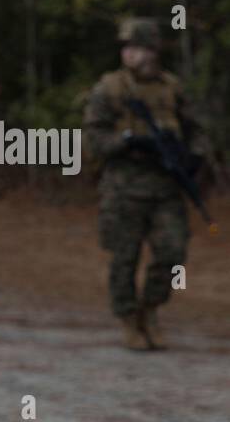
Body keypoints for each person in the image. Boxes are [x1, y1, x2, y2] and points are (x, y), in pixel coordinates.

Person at [84, 17, 214, 351]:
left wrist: (194, 156)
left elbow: (197, 128)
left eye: (137, 47)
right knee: (123, 257)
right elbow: (93, 138)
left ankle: (151, 309)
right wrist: (126, 141)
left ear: (153, 50)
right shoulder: (109, 89)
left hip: (165, 186)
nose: (130, 54)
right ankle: (129, 319)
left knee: (173, 251)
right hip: (123, 187)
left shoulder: (172, 88)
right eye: (126, 48)